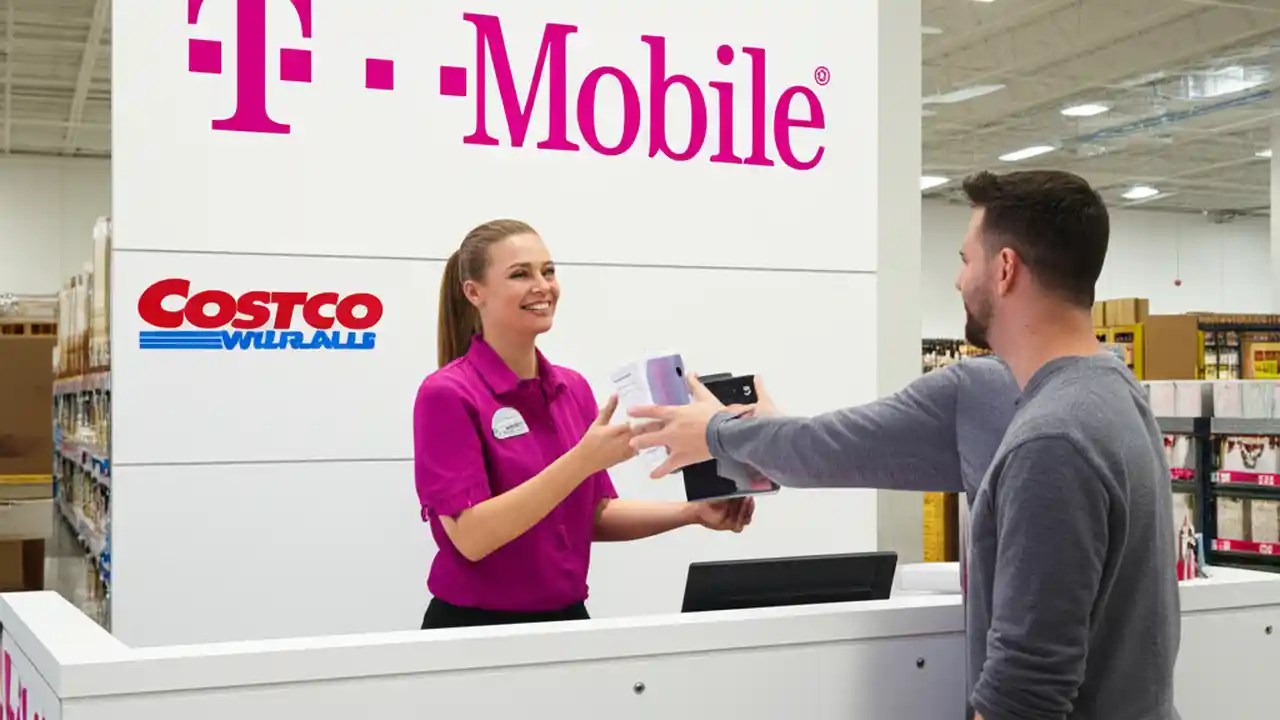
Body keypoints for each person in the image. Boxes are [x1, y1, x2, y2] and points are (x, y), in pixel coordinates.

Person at [631, 171, 1180, 719]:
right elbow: (830, 448)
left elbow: (1025, 692)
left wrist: (713, 432)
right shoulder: (1111, 392)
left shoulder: (1050, 440)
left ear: (1005, 269)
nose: (958, 281)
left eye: (966, 260)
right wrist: (734, 431)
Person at [413, 219, 755, 630]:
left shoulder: (570, 388)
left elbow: (592, 515)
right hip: (475, 628)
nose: (542, 285)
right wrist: (582, 461)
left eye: (549, 270)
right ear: (474, 292)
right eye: (520, 274)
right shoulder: (447, 394)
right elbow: (471, 538)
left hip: (567, 621)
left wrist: (690, 512)